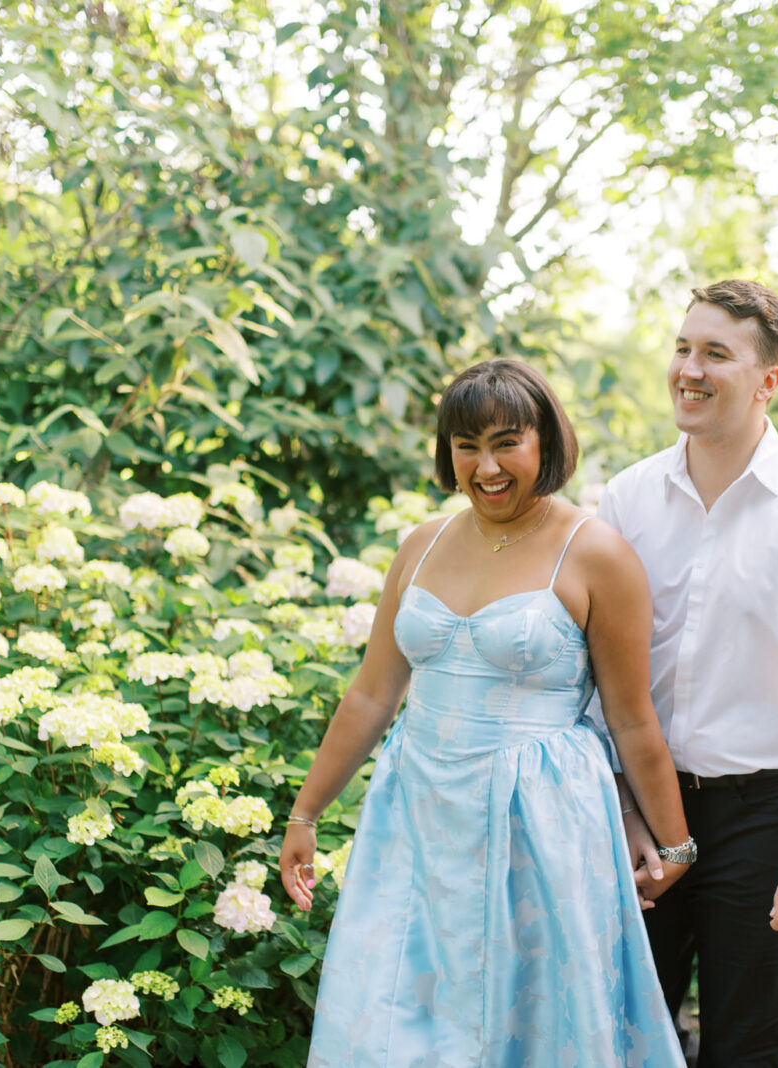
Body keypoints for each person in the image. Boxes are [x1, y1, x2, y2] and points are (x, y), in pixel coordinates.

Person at [280, 358, 693, 1067]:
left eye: (507, 442)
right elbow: (373, 693)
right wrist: (306, 813)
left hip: (540, 821)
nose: (486, 465)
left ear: (546, 443)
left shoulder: (596, 553)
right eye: (467, 445)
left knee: (528, 1027)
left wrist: (676, 846)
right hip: (416, 813)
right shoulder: (423, 544)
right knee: (395, 1022)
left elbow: (631, 720)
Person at [597, 280, 778, 1067]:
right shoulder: (626, 499)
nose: (689, 369)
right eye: (684, 348)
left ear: (768, 381)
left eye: (716, 354)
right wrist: (621, 806)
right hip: (643, 813)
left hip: (767, 812)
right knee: (627, 1039)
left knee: (747, 1047)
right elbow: (591, 666)